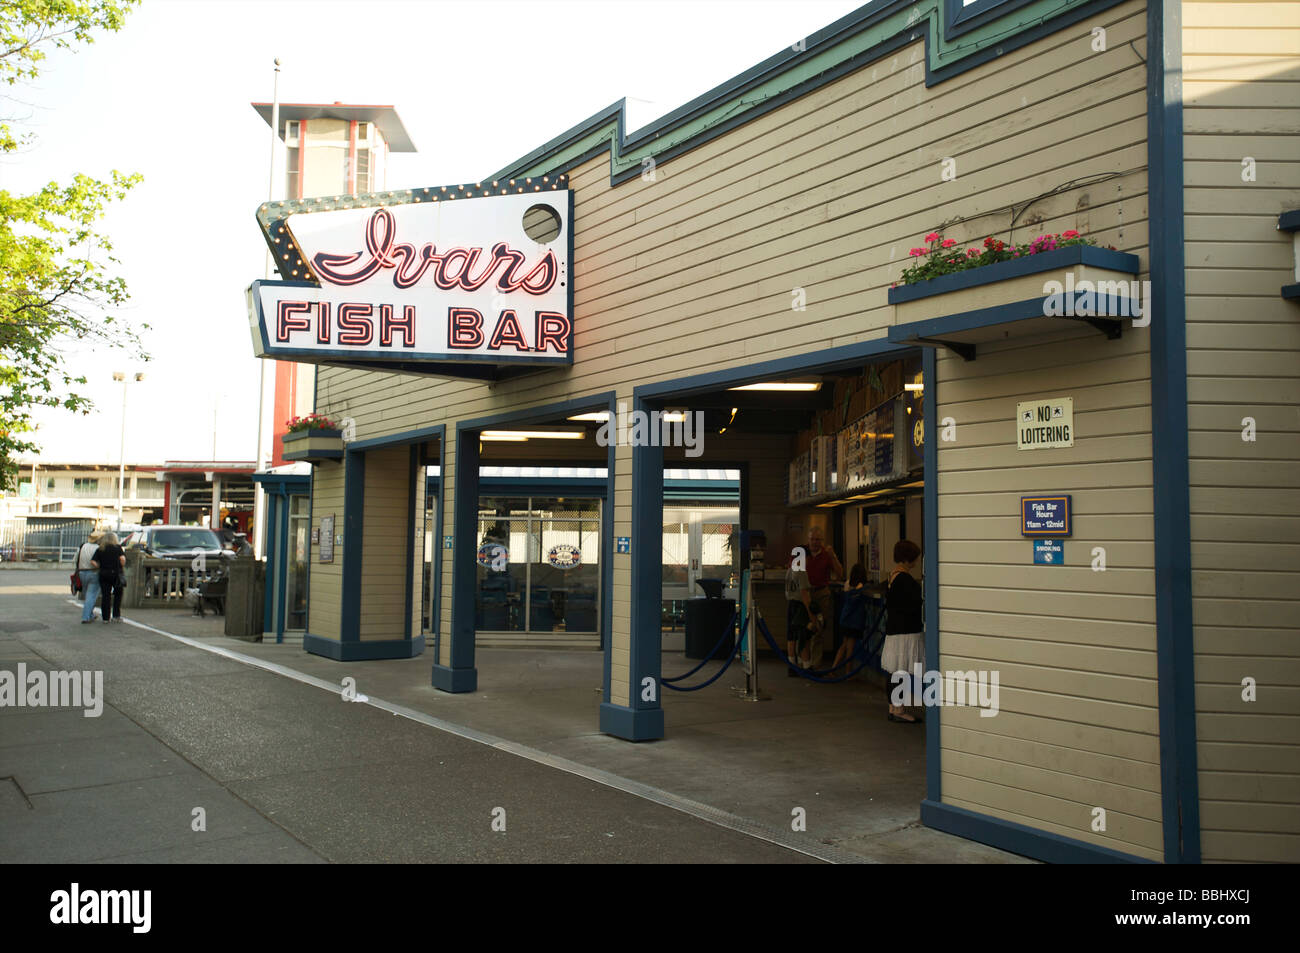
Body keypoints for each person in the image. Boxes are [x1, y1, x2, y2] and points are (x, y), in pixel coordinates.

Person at [882, 539, 924, 723]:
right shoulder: (905, 579)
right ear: (908, 558)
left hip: (895, 631)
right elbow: (916, 603)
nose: (916, 562)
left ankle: (894, 706)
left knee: (895, 671)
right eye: (914, 558)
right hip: (906, 631)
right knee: (902, 671)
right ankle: (899, 710)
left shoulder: (893, 576)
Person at [804, 525, 843, 667]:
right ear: (808, 540)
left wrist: (833, 556)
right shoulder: (802, 553)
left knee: (818, 629)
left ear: (822, 541)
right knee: (804, 628)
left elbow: (840, 573)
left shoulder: (827, 555)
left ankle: (815, 664)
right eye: (812, 539)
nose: (814, 542)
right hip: (805, 593)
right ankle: (804, 662)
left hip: (822, 593)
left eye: (817, 540)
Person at [826, 562, 868, 676]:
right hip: (855, 621)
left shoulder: (847, 583)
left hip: (845, 619)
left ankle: (833, 668)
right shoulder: (861, 587)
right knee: (850, 647)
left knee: (843, 645)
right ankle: (848, 672)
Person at [784, 546, 818, 676]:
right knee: (804, 637)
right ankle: (806, 666)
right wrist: (811, 614)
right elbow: (804, 594)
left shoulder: (789, 570)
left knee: (791, 636)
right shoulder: (802, 572)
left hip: (790, 605)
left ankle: (792, 666)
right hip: (800, 607)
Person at [91, 532, 127, 625]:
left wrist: (99, 566)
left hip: (104, 574)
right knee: (118, 595)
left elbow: (93, 561)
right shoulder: (118, 548)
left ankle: (105, 618)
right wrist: (121, 565)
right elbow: (122, 559)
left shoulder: (100, 549)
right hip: (116, 574)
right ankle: (116, 616)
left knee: (105, 596)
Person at [75, 532, 102, 623]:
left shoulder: (83, 546)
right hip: (94, 572)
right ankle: (86, 617)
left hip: (82, 572)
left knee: (87, 595)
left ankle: (90, 614)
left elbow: (76, 559)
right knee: (91, 596)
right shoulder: (98, 548)